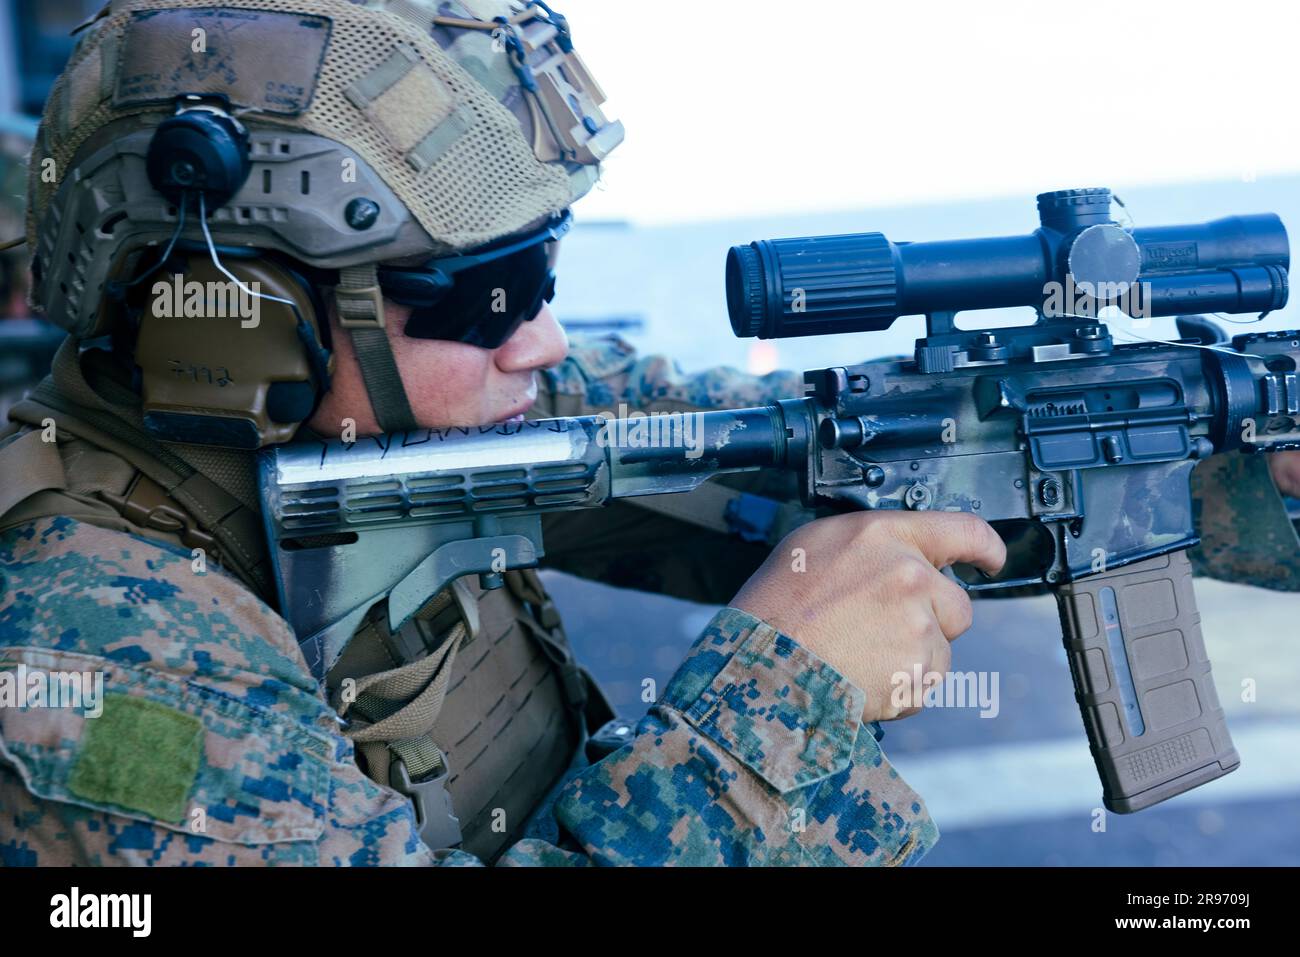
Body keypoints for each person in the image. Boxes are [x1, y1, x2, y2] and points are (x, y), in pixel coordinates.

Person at [0, 0, 1296, 868]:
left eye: (541, 271)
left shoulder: (389, 416)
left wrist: (1223, 463)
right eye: (480, 294)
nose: (541, 337)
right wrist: (774, 695)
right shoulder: (95, 665)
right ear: (238, 319)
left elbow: (782, 447)